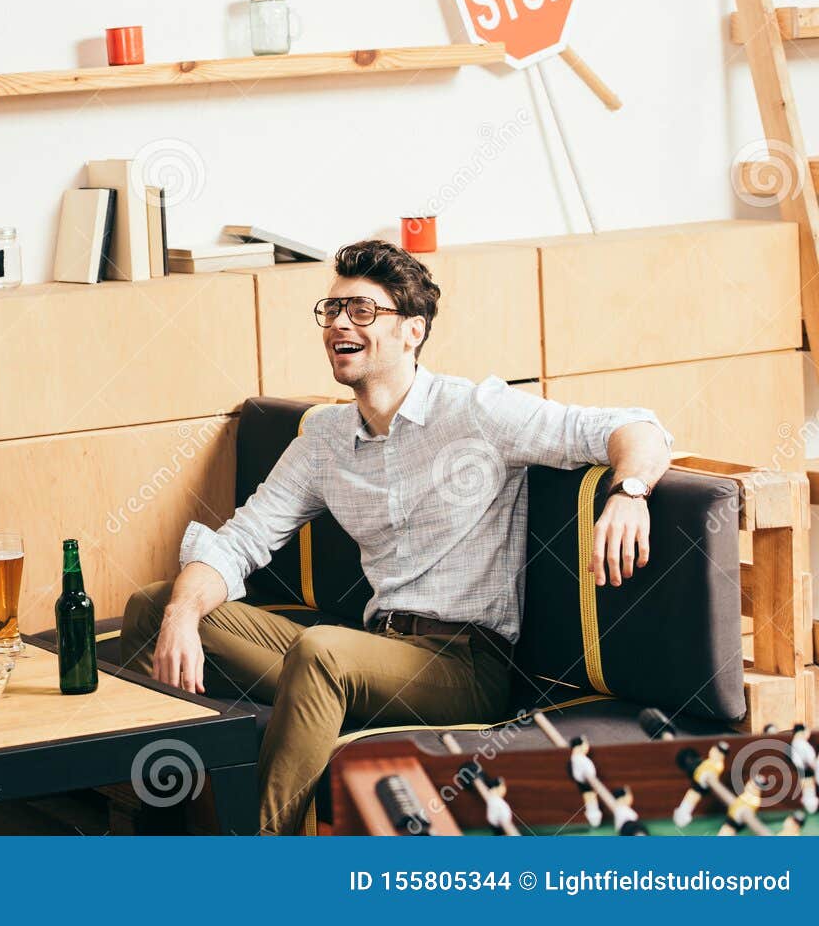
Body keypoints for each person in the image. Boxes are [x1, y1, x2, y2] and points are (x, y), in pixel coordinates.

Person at [120, 239, 673, 835]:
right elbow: (240, 541)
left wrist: (630, 494)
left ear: (413, 331)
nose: (338, 325)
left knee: (321, 652)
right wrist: (181, 616)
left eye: (361, 311)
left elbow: (633, 426)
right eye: (330, 311)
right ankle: (159, 830)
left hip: (463, 665)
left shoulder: (476, 413)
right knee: (156, 605)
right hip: (369, 654)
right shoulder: (324, 441)